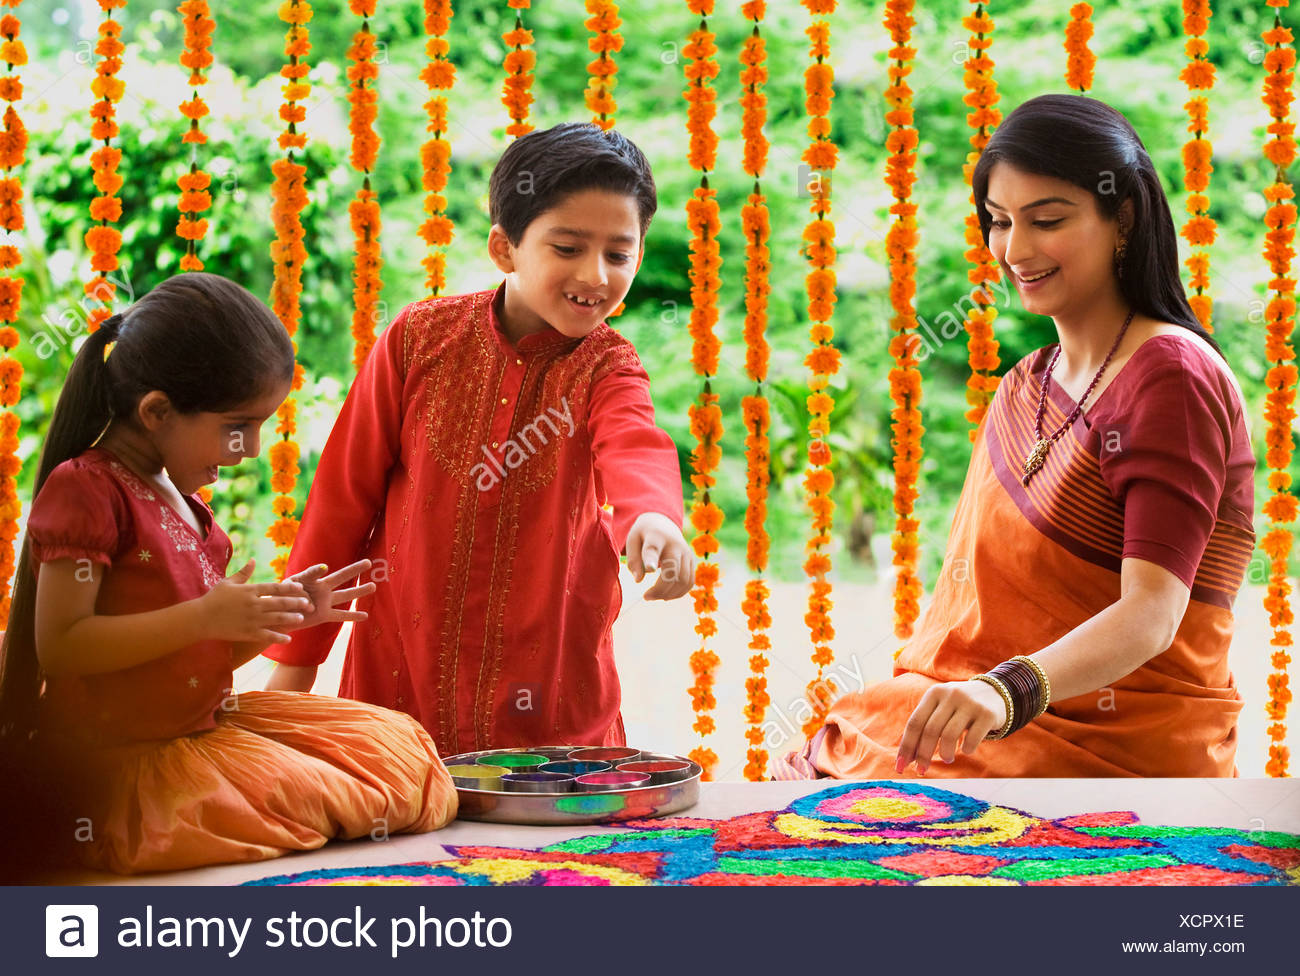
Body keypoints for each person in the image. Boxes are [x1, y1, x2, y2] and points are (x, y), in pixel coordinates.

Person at [777, 94, 1255, 779]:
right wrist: (973, 693)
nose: (1015, 249)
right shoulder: (1026, 384)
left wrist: (1003, 692)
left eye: (1048, 220)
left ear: (1121, 219)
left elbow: (1151, 614)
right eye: (999, 222)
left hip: (1116, 742)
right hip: (1001, 716)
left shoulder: (1170, 375)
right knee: (826, 749)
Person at [0, 273, 456, 876]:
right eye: (239, 425)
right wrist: (207, 614)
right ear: (157, 411)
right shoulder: (86, 489)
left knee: (401, 753)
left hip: (204, 730)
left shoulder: (182, 500)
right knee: (342, 796)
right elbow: (60, 647)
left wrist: (279, 617)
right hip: (122, 762)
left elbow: (191, 660)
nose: (252, 448)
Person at [263, 123, 693, 757]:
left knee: (557, 852)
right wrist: (294, 670)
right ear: (504, 247)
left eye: (619, 254)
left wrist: (654, 515)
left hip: (550, 700)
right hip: (399, 682)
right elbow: (341, 502)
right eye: (568, 247)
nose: (596, 275)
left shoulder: (609, 366)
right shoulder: (417, 340)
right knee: (396, 840)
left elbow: (635, 440)